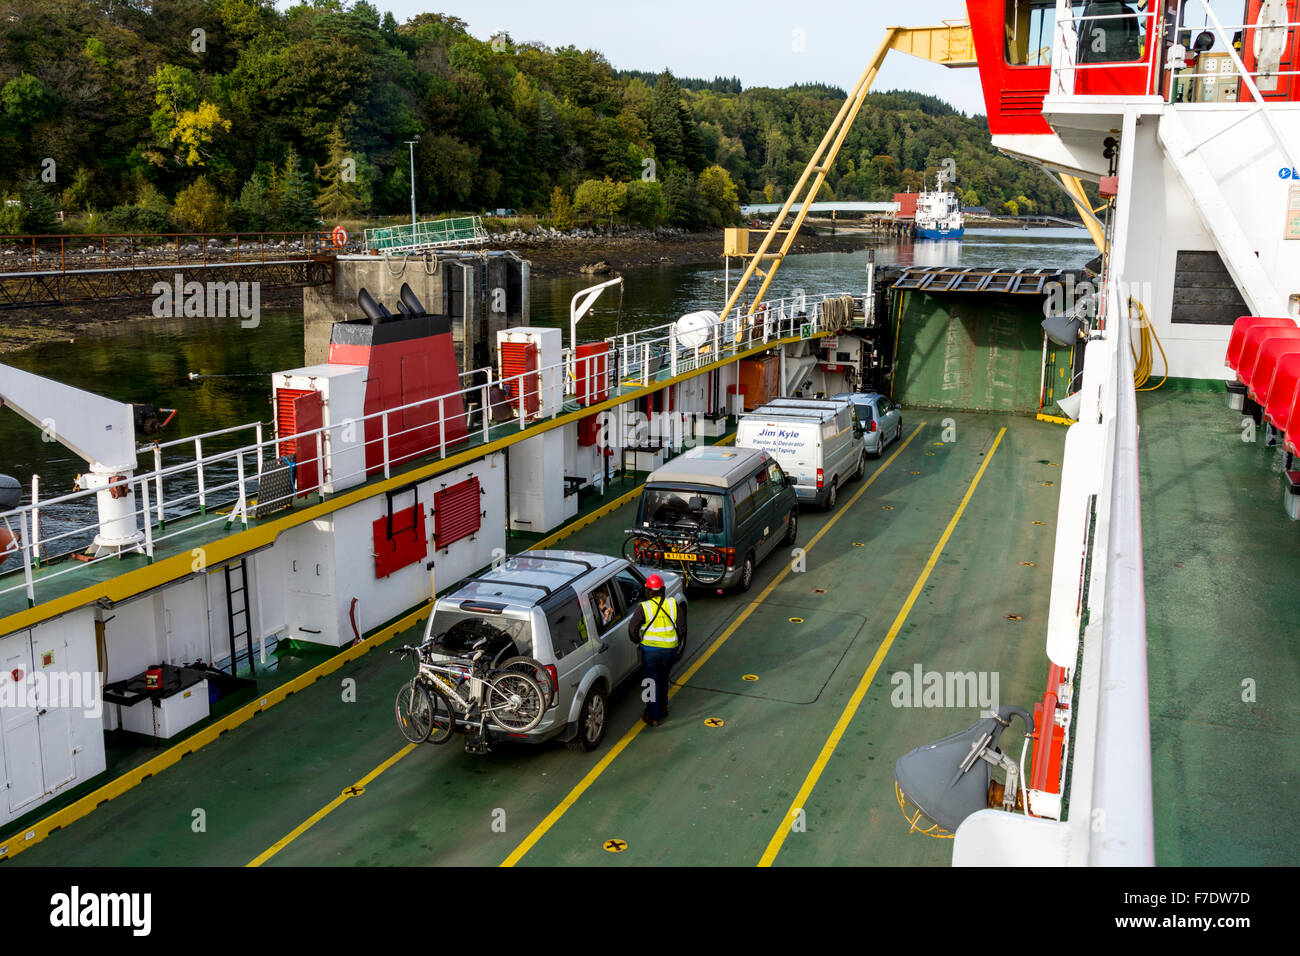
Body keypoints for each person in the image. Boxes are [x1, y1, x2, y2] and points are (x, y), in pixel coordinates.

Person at [627, 573, 684, 726]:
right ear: (663, 589)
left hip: (651, 652)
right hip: (670, 650)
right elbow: (682, 627)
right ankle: (663, 707)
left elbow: (632, 629)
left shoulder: (643, 608)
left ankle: (653, 716)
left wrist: (638, 640)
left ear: (647, 591)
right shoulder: (672, 604)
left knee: (650, 681)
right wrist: (674, 640)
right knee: (664, 677)